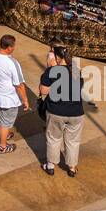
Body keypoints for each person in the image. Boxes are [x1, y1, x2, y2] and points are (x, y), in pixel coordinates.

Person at [39, 45, 85, 177]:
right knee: (73, 141)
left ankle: (50, 165)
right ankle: (71, 167)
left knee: (53, 138)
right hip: (76, 112)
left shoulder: (51, 71)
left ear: (58, 57)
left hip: (56, 111)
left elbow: (43, 91)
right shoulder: (76, 70)